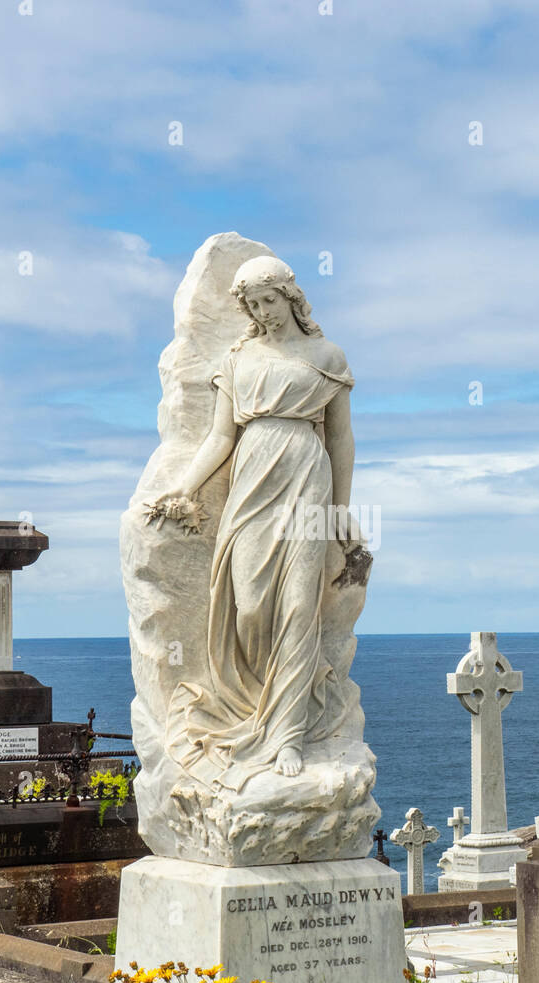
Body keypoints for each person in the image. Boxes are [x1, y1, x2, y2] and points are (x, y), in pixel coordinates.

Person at [154, 256, 359, 790]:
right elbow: (221, 438)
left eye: (269, 300)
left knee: (297, 606)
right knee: (248, 608)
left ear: (291, 296)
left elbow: (339, 438)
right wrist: (185, 488)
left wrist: (340, 509)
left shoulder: (326, 357)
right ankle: (250, 709)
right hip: (251, 483)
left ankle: (287, 732)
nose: (263, 312)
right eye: (252, 305)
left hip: (306, 478)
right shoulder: (239, 359)